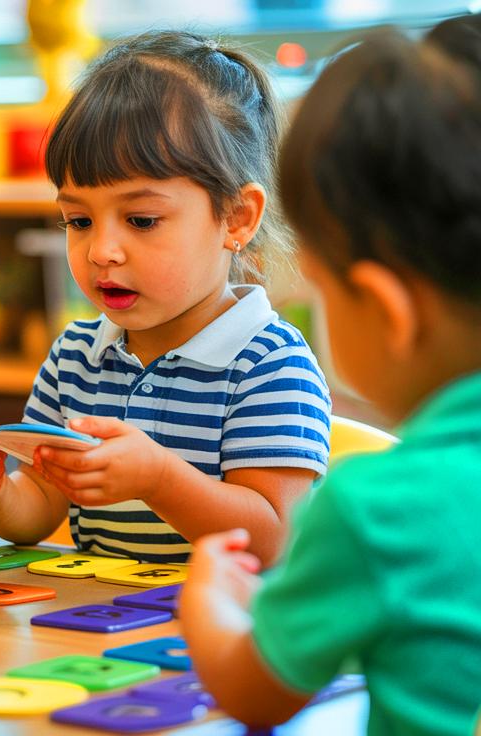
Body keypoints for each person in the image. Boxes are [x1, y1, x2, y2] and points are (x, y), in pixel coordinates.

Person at [182, 15, 481, 734]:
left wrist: (210, 604)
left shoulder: (372, 510)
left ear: (386, 309)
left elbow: (253, 693)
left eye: (317, 283)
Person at [0, 31, 331, 564]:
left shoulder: (269, 364)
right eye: (78, 220)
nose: (102, 251)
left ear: (236, 218)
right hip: (101, 626)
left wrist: (160, 478)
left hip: (224, 636)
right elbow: (36, 511)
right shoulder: (76, 357)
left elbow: (275, 542)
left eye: (142, 220)